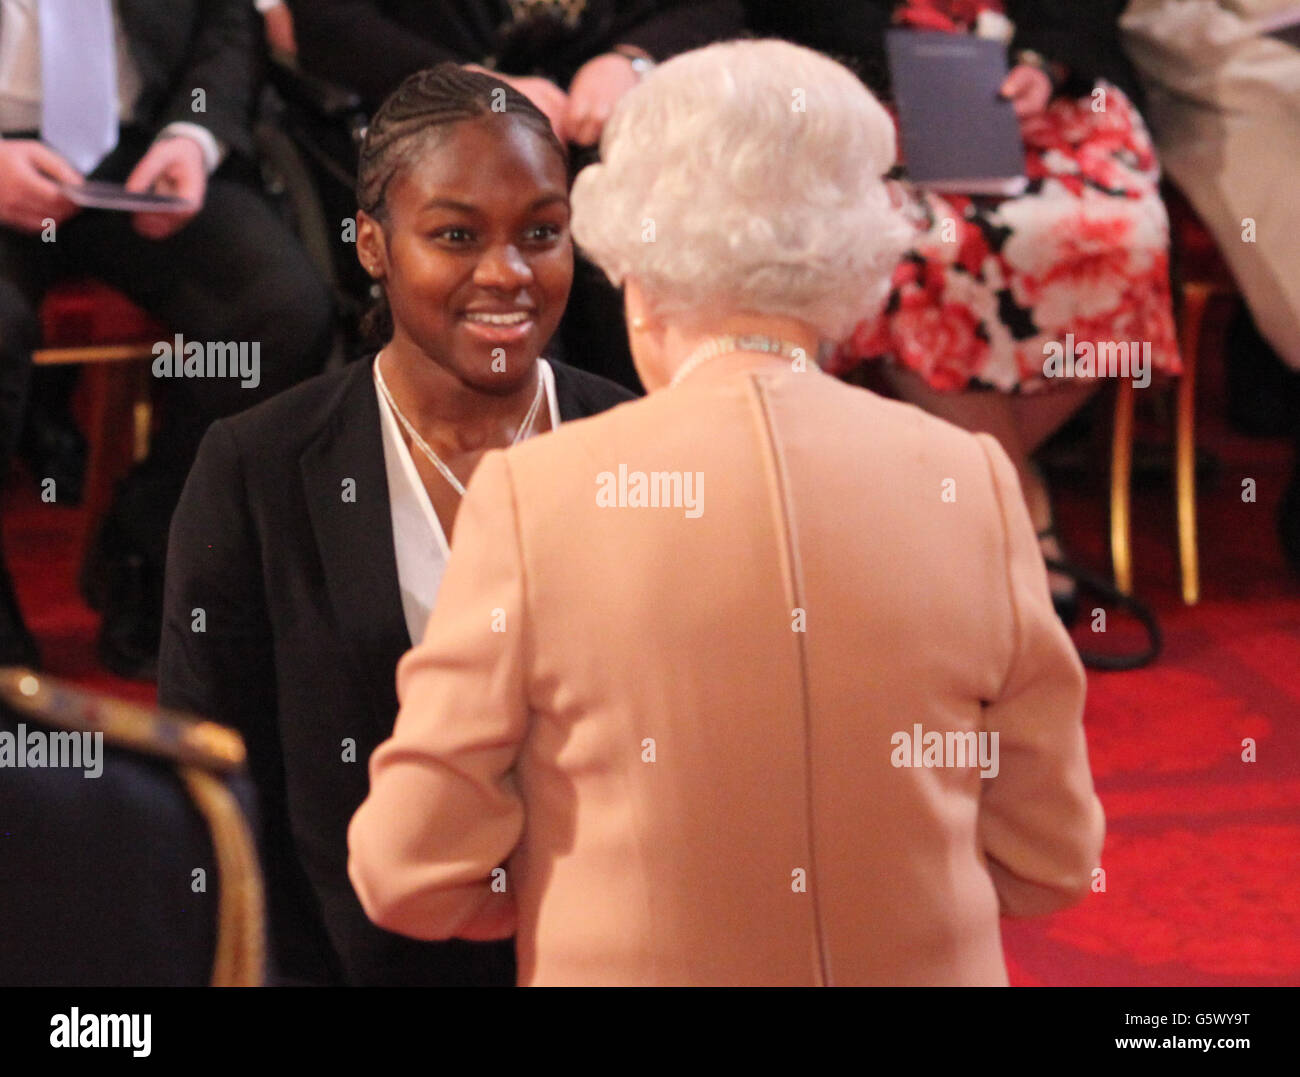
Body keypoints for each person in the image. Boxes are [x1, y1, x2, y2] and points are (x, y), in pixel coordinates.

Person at [348, 39, 1105, 986]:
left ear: (633, 260)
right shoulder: (974, 482)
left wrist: (565, 886)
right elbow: (1052, 857)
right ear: (859, 249)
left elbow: (408, 870)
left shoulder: (535, 495)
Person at [157, 64, 633, 986]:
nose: (508, 273)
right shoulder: (256, 469)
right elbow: (209, 788)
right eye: (456, 234)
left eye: (543, 233)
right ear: (372, 244)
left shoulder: (637, 445)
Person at [746, 0, 1181, 622]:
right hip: (864, 96)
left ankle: (942, 502)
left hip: (1049, 93)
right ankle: (1020, 509)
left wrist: (1043, 63)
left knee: (1121, 241)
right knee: (903, 252)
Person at [0, 0, 334, 675]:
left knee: (280, 311)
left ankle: (146, 547)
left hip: (138, 141)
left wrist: (193, 132)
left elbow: (228, 23)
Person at [288, 0, 746, 392]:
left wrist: (631, 61)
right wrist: (463, 88)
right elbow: (326, 23)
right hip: (433, 104)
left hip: (619, 122)